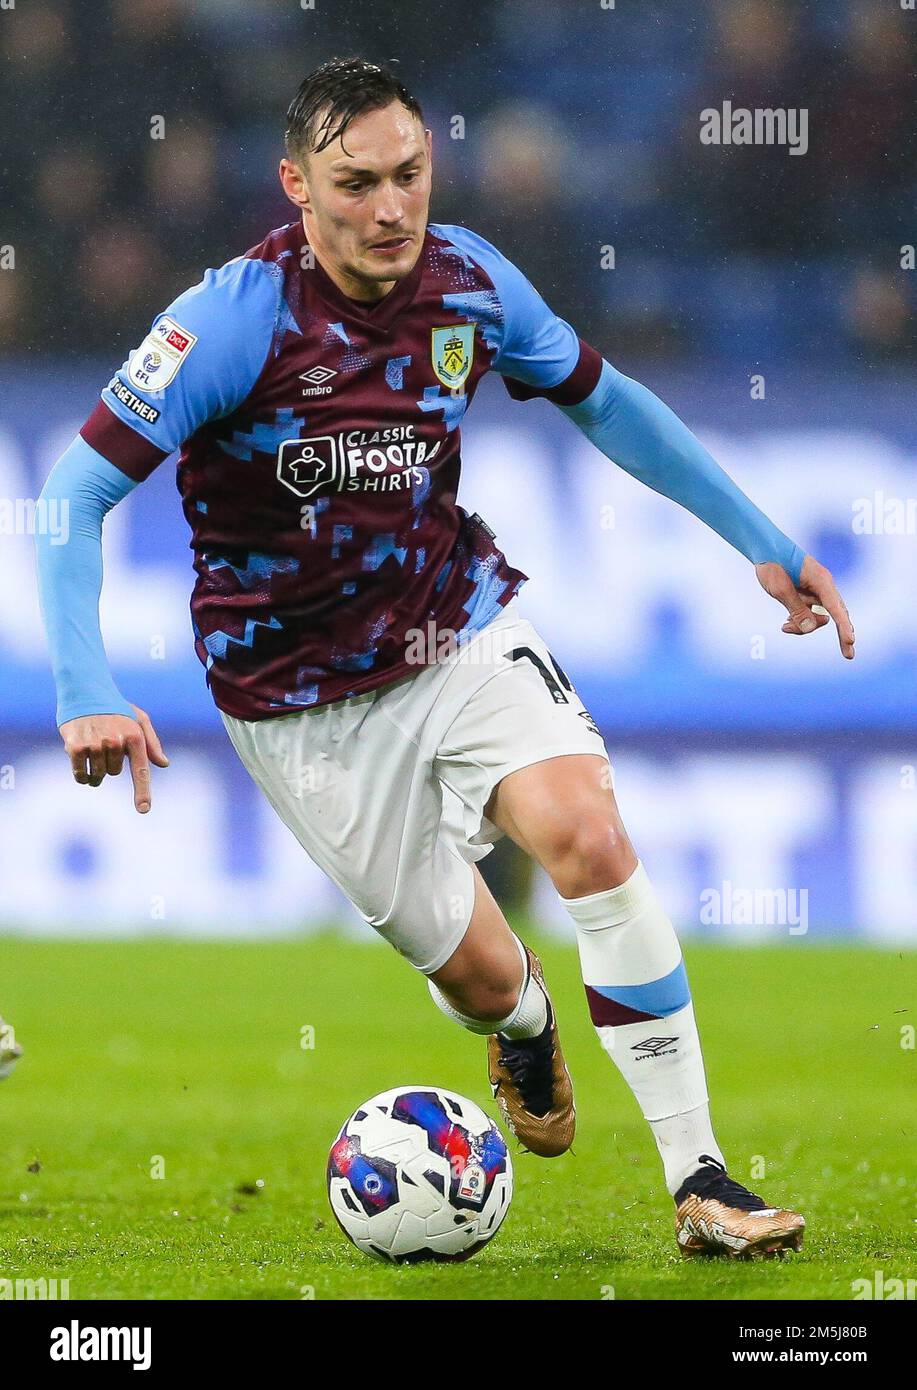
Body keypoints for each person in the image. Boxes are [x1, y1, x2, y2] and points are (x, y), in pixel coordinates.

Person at [36, 57, 854, 1259]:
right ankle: (519, 1020)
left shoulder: (471, 281)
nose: (387, 209)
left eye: (408, 175)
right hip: (297, 702)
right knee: (481, 977)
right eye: (354, 183)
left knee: (585, 831)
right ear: (295, 187)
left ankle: (702, 1179)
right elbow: (71, 491)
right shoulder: (229, 319)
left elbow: (606, 400)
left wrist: (762, 542)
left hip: (455, 622)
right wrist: (84, 684)